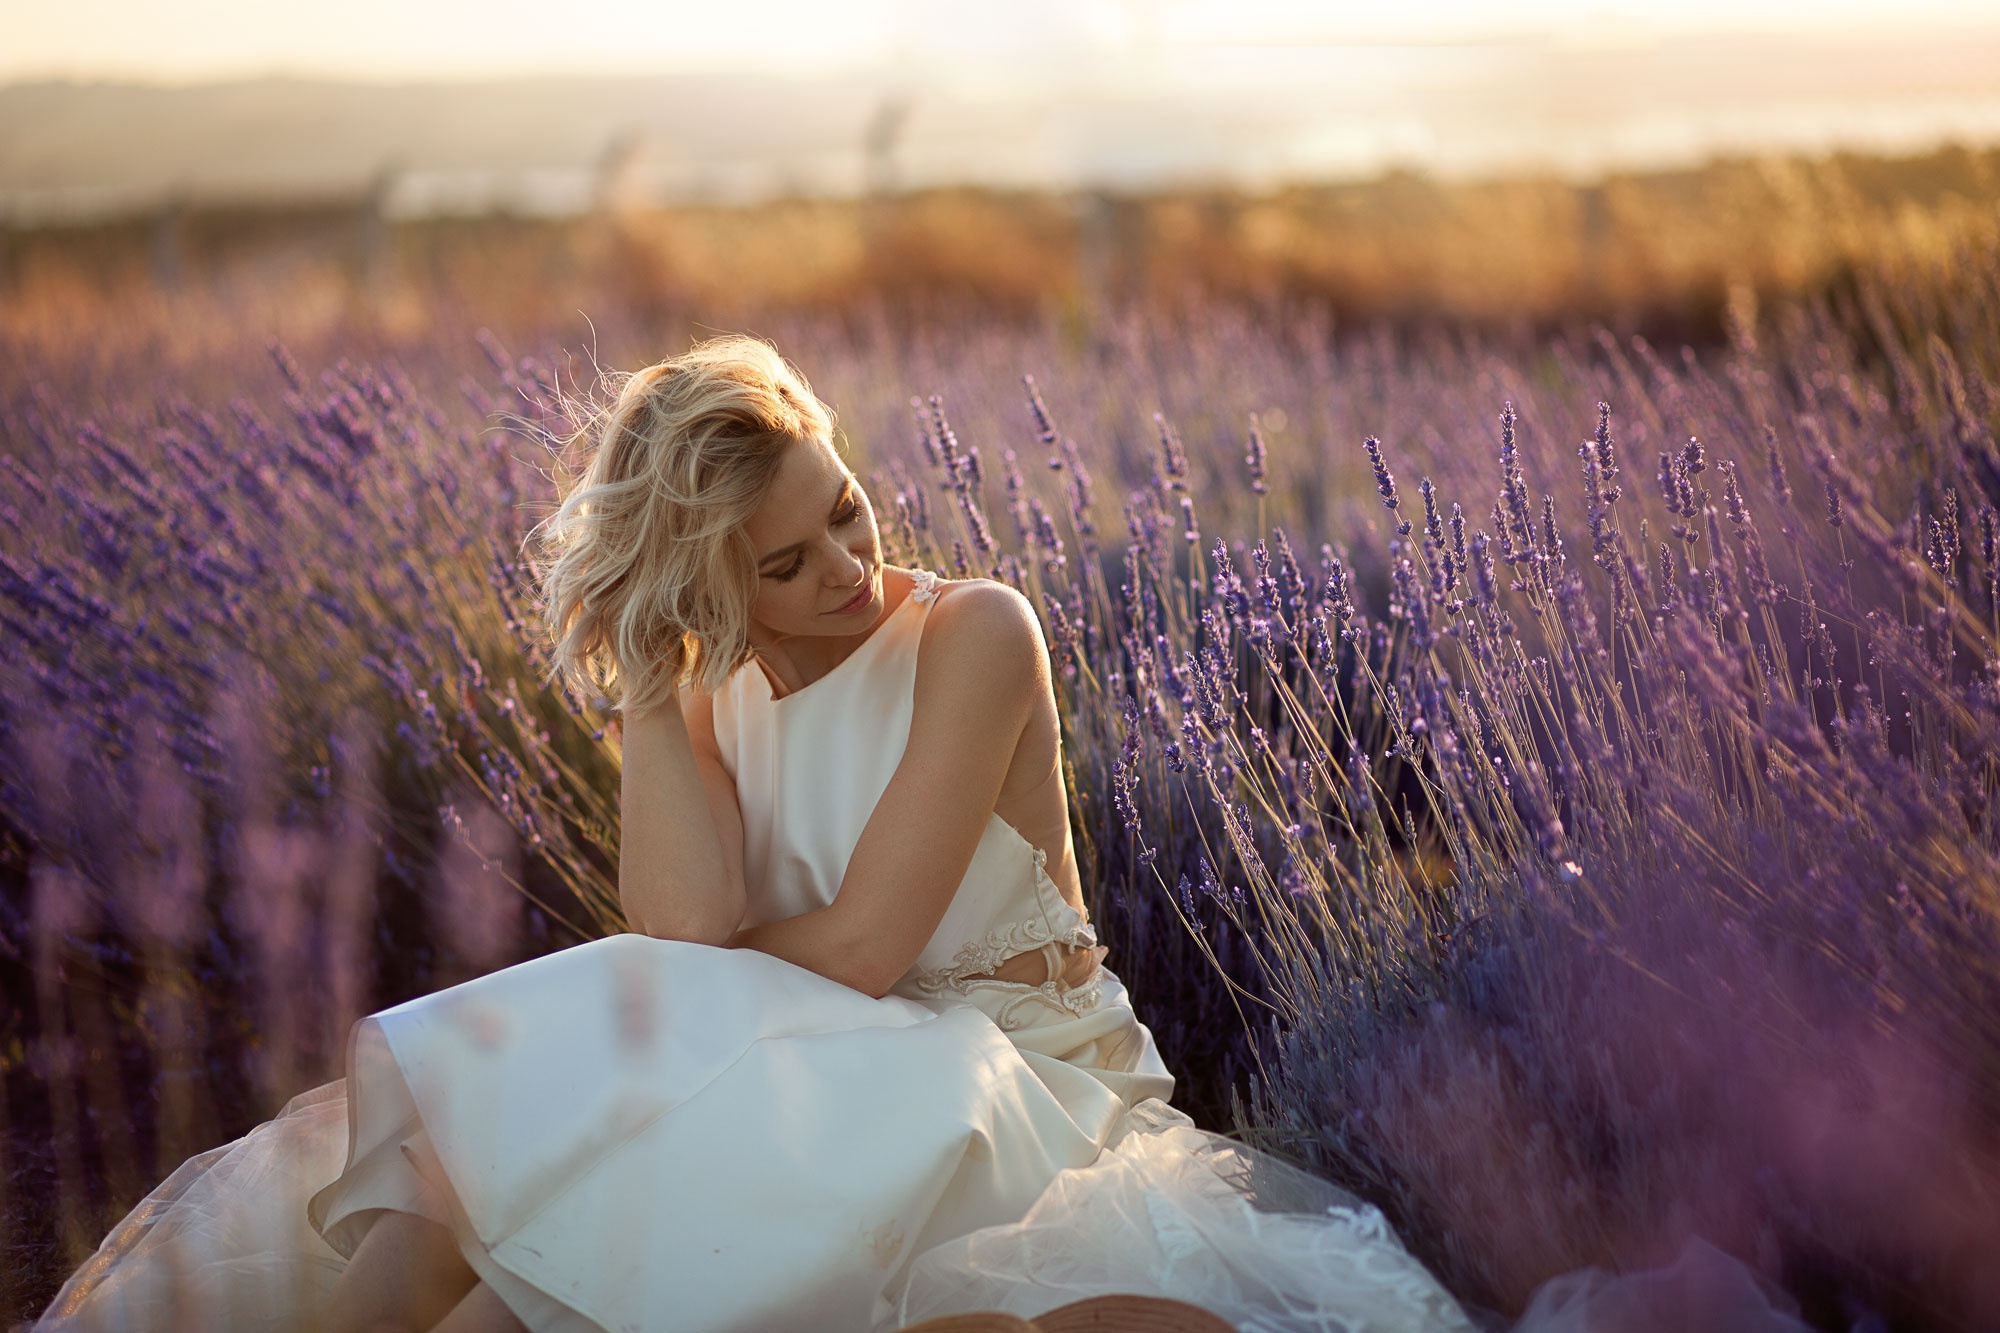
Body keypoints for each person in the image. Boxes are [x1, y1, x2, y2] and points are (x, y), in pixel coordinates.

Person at [31, 338, 1510, 1332]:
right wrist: (658, 693)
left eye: (849, 514)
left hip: (1010, 1087)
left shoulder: (975, 634)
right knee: (511, 1257)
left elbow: (862, 951)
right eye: (786, 568)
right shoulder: (714, 675)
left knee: (590, 1077)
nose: (852, 572)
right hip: (812, 1071)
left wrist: (685, 995)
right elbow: (685, 927)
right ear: (711, 586)